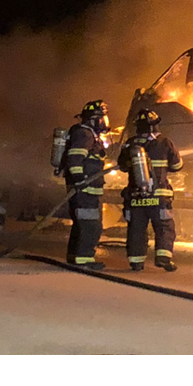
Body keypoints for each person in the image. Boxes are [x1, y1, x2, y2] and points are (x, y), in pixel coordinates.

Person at [116, 109, 182, 272]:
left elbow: (123, 166)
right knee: (164, 227)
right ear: (155, 125)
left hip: (135, 197)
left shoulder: (130, 144)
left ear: (138, 127)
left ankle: (136, 262)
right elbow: (177, 166)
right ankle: (163, 258)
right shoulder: (165, 142)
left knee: (136, 229)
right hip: (158, 197)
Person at [59, 100, 110, 270]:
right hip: (84, 189)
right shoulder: (85, 134)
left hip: (85, 188)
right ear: (93, 120)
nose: (104, 122)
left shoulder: (86, 134)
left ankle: (74, 257)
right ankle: (84, 259)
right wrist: (80, 178)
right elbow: (75, 157)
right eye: (101, 119)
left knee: (81, 223)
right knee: (91, 225)